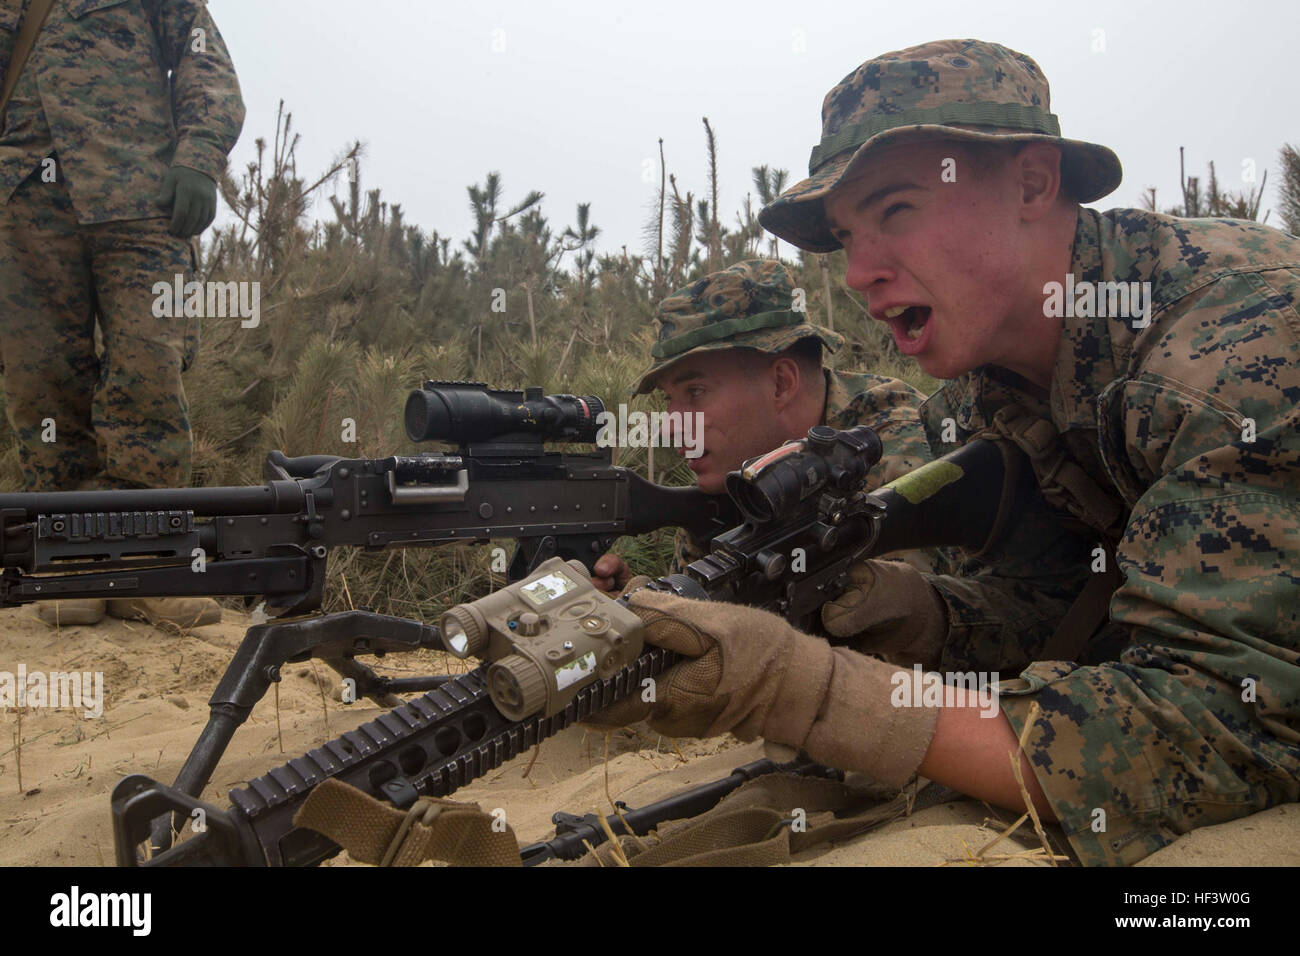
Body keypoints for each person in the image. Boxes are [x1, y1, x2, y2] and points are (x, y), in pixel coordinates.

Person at [616, 39, 1300, 865]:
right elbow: (1065, 603)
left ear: (1032, 183)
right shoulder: (993, 385)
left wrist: (807, 688)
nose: (862, 272)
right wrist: (924, 615)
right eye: (844, 236)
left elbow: (1221, 721)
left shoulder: (1228, 352)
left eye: (897, 210)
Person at [0, 0, 245, 627]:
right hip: (24, 199)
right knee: (40, 382)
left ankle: (152, 566)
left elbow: (203, 57)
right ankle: (70, 565)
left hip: (141, 197)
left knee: (147, 375)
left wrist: (199, 156)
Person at [588, 258, 940, 599]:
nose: (672, 427)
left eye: (695, 393)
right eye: (669, 399)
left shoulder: (889, 456)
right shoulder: (734, 472)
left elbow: (893, 644)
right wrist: (638, 607)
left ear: (781, 385)